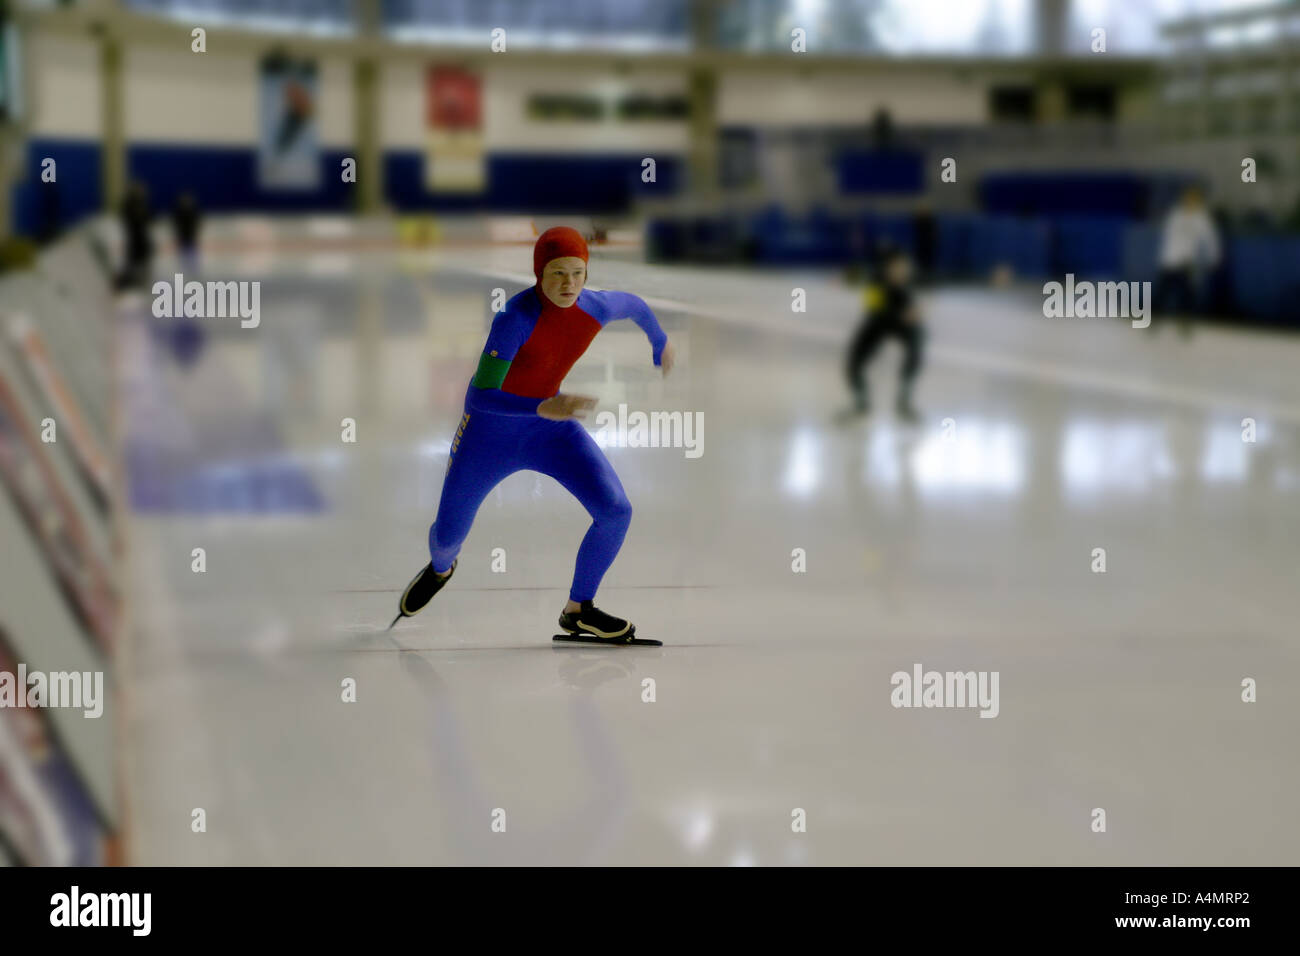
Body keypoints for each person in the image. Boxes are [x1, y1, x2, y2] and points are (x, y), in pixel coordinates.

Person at [393, 227, 676, 640]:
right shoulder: (515, 319)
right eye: (557, 273)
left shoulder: (595, 307)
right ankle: (441, 569)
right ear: (539, 274)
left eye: (577, 273)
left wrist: (660, 342)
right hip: (488, 436)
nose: (568, 284)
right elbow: (480, 397)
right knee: (447, 537)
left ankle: (579, 609)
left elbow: (634, 305)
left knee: (615, 511)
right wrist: (541, 406)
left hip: (549, 430)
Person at [843, 243, 925, 423]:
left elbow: (938, 280)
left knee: (918, 340)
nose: (903, 273)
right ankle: (861, 401)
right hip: (878, 323)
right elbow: (874, 312)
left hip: (899, 323)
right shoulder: (876, 282)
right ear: (888, 268)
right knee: (853, 362)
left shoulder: (907, 283)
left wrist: (914, 314)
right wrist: (903, 316)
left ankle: (904, 399)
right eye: (898, 269)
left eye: (905, 269)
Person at [1153, 186, 1220, 336]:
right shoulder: (1175, 215)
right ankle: (1154, 320)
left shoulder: (1201, 219)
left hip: (1186, 263)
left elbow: (1210, 239)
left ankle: (1184, 323)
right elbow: (1168, 237)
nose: (1190, 202)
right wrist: (1163, 258)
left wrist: (1214, 257)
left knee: (1187, 296)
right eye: (1188, 199)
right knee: (1162, 293)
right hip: (1169, 260)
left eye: (1194, 199)